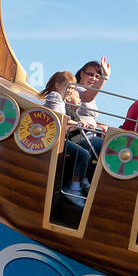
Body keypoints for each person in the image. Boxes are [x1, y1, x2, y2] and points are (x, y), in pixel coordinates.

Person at [40, 71, 92, 202]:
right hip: (52, 138)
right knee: (83, 154)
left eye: (72, 88)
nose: (70, 91)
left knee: (86, 151)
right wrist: (77, 123)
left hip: (57, 137)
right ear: (57, 85)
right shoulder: (54, 97)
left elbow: (64, 121)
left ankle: (81, 179)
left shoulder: (61, 100)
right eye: (68, 87)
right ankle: (73, 189)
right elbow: (58, 118)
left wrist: (78, 124)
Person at [71, 58, 111, 155]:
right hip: (80, 136)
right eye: (90, 74)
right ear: (81, 74)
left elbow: (88, 117)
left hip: (91, 134)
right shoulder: (75, 89)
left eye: (97, 76)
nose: (94, 79)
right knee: (111, 149)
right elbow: (87, 97)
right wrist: (104, 77)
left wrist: (100, 126)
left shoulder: (91, 94)